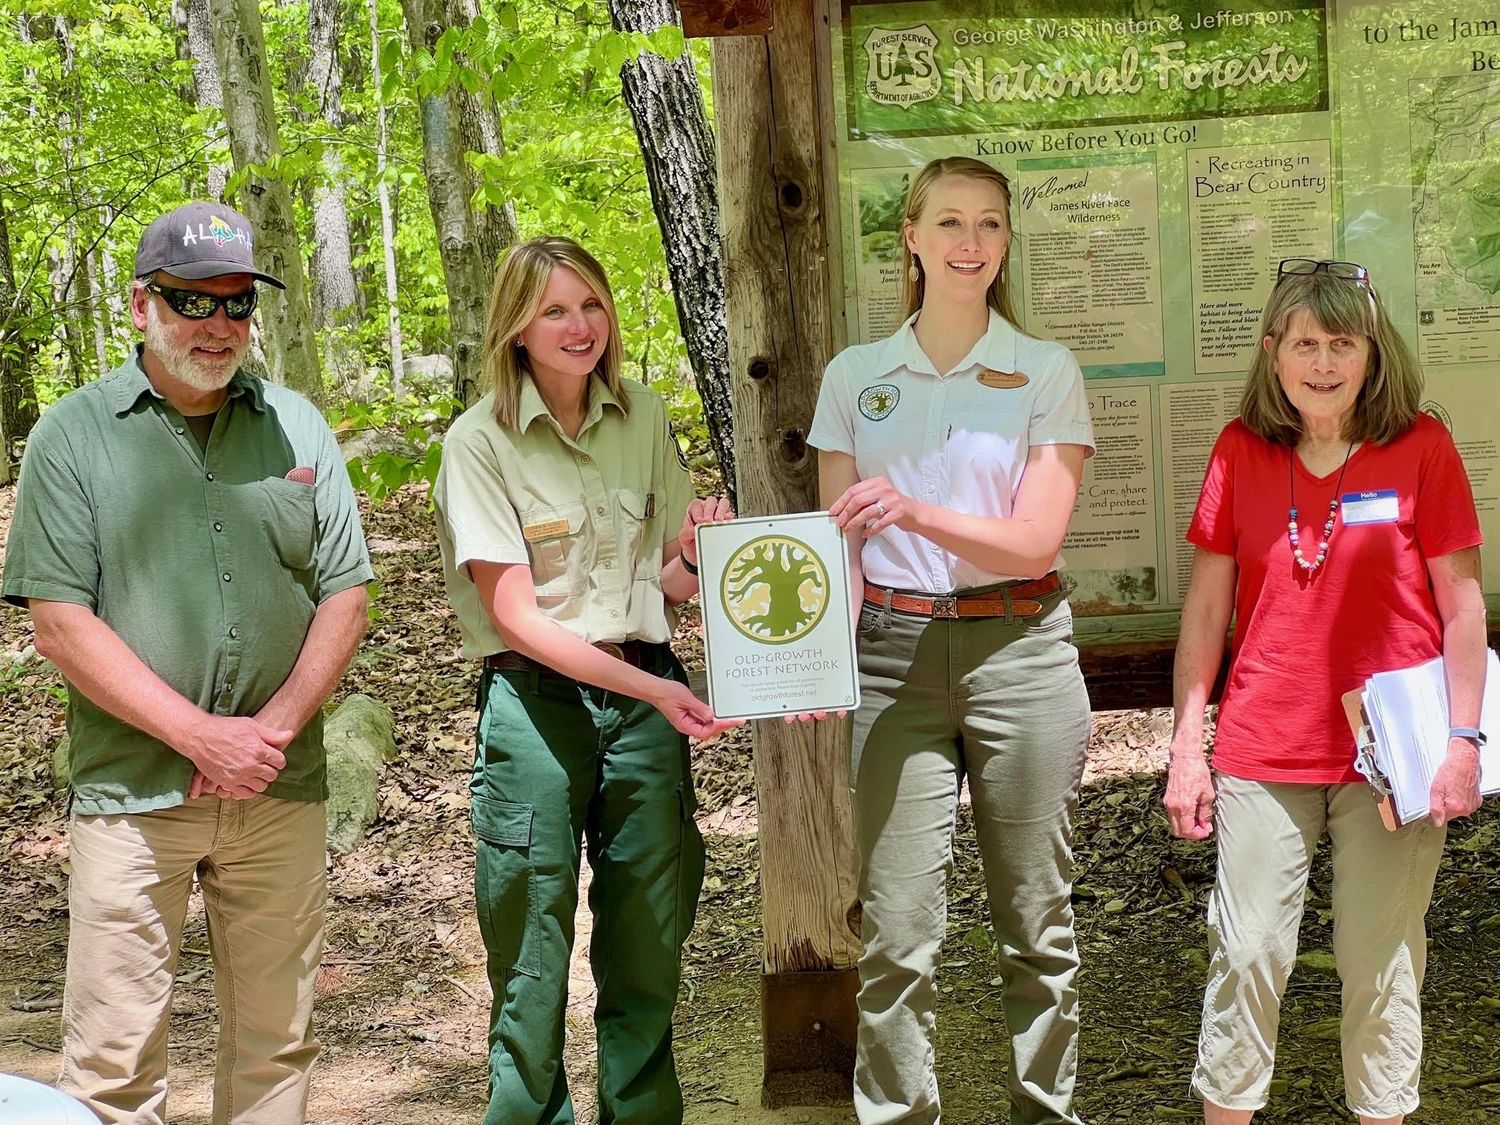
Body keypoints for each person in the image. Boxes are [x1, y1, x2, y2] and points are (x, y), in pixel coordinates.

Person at [1, 201, 373, 1123]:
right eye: (190, 303)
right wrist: (203, 737)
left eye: (237, 305)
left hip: (278, 788)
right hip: (133, 796)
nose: (218, 327)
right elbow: (58, 621)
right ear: (139, 306)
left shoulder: (297, 426)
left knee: (275, 1053)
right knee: (115, 1065)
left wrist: (268, 733)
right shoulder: (72, 436)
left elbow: (346, 593)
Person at [806, 156, 1096, 1125]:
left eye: (989, 227)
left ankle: (1044, 1113)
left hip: (1020, 652)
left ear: (1006, 245)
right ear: (913, 239)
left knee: (1037, 927)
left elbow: (1035, 538)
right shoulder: (854, 378)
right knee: (897, 935)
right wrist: (816, 654)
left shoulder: (1045, 371)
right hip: (893, 658)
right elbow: (840, 549)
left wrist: (916, 513)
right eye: (950, 224)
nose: (970, 244)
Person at [1164, 259, 1487, 1125]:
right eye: (1304, 341)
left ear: (1373, 353)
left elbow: (1462, 609)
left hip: (1394, 751)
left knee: (1380, 959)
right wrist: (1187, 744)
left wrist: (1465, 741)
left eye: (1342, 342)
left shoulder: (1421, 446)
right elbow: (1205, 611)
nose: (1323, 361)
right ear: (1273, 351)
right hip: (1264, 744)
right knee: (1247, 952)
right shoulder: (1241, 450)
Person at [432, 235, 737, 1125]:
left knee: (649, 944)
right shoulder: (477, 440)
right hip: (535, 706)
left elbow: (668, 586)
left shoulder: (641, 414)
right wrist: (656, 694)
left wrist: (695, 549)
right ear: (516, 326)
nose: (579, 326)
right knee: (529, 958)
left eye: (592, 305)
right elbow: (520, 615)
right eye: (555, 310)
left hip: (643, 701)